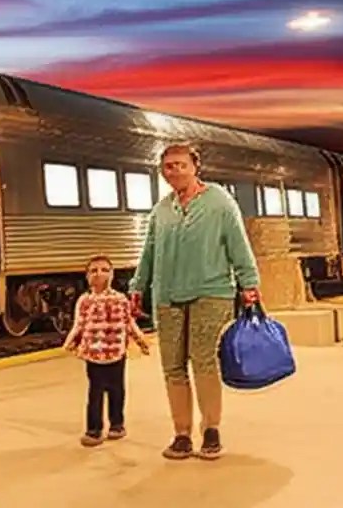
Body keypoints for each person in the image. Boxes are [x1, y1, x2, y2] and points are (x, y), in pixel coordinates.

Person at [128, 143, 261, 461]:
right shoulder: (162, 210)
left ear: (195, 167)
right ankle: (182, 434)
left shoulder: (219, 202)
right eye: (168, 166)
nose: (174, 171)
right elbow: (149, 252)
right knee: (173, 367)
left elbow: (238, 243)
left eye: (180, 164)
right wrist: (138, 286)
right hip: (167, 294)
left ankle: (211, 429)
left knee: (204, 362)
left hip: (211, 292)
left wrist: (249, 282)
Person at [64, 254, 150, 447]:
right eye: (93, 270)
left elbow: (129, 322)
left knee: (117, 391)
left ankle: (116, 424)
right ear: (87, 276)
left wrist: (141, 340)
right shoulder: (84, 301)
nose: (99, 274)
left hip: (116, 353)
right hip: (93, 355)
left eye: (104, 270)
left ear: (112, 274)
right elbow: (79, 324)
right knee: (95, 393)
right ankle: (94, 430)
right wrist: (70, 342)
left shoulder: (121, 299)